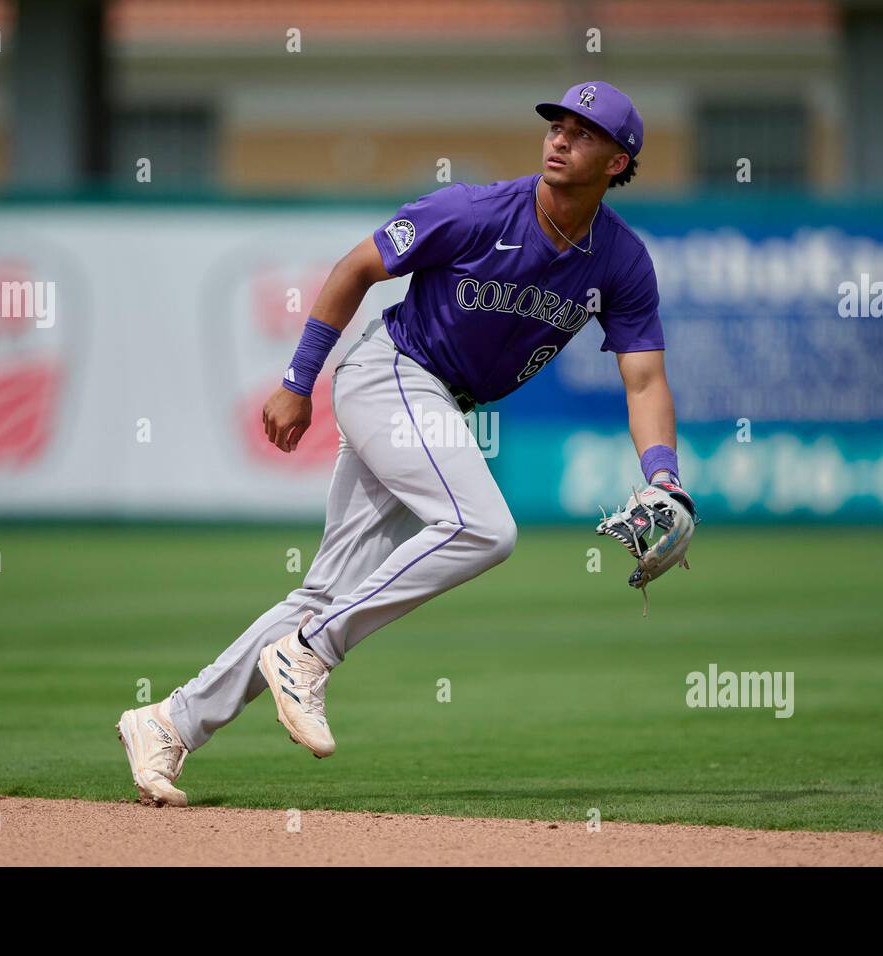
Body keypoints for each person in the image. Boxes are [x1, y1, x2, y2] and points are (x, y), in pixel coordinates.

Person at [117, 81, 691, 806]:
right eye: (557, 125)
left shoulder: (621, 262)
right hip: (390, 372)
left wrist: (664, 479)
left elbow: (644, 382)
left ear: (617, 160)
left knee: (324, 591)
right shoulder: (476, 210)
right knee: (483, 528)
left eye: (582, 132)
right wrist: (298, 380)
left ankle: (168, 723)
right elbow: (357, 267)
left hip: (436, 404)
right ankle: (313, 653)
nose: (559, 138)